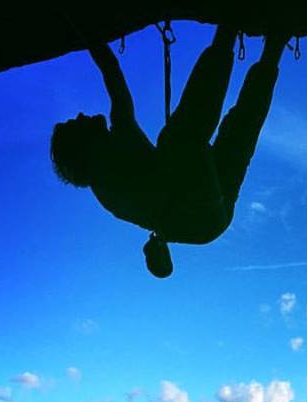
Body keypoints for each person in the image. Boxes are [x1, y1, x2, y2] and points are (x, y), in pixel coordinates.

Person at [50, 26, 288, 277]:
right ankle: (232, 31)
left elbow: (112, 75)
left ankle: (273, 43)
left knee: (237, 135)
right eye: (74, 123)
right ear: (83, 146)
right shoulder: (109, 174)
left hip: (207, 218)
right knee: (185, 137)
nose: (78, 115)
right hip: (198, 214)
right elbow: (114, 78)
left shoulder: (109, 158)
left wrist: (92, 40)